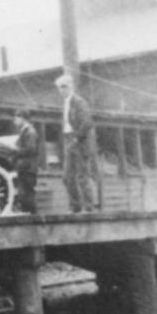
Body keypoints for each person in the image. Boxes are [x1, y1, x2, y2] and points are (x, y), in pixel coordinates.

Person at [56, 73, 97, 212]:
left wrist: (76, 138)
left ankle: (89, 208)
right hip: (69, 140)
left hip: (80, 142)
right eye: (59, 87)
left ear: (71, 86)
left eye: (64, 86)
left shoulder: (79, 102)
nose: (62, 90)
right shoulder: (65, 104)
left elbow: (87, 122)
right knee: (67, 177)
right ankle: (75, 207)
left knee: (82, 177)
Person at [12, 107, 40, 214]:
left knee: (28, 196)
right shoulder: (25, 131)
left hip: (28, 168)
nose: (15, 120)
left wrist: (16, 151)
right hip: (25, 168)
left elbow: (31, 149)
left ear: (23, 118)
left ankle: (33, 220)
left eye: (16, 117)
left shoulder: (30, 131)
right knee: (24, 196)